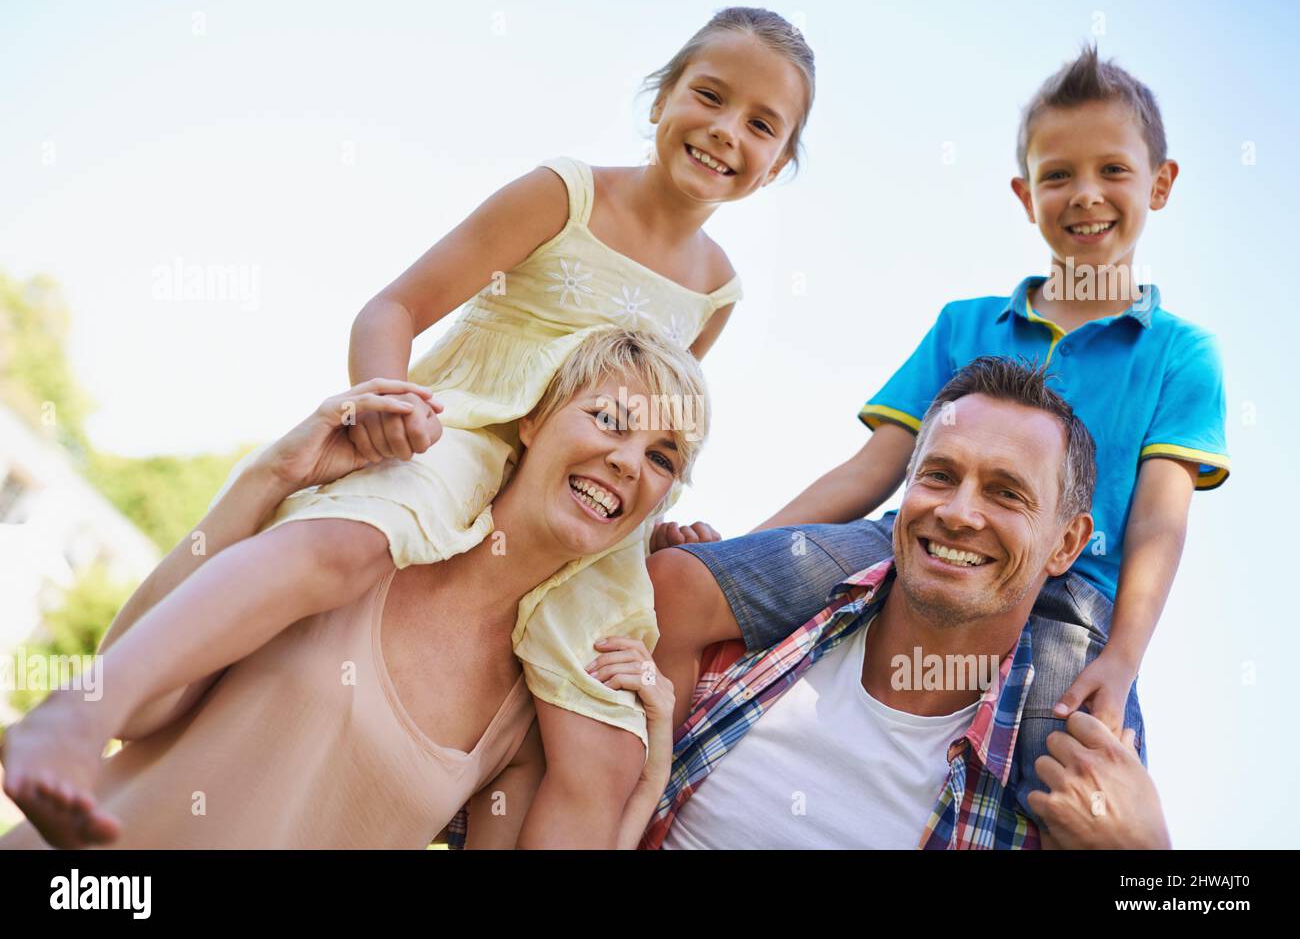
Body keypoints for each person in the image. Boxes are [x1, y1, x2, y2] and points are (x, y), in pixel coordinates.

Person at [649, 45, 1228, 819]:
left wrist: (1121, 658)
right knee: (684, 585)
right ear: (1025, 195)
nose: (1084, 194)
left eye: (1112, 171)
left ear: (1161, 183)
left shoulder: (1179, 354)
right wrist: (735, 558)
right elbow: (870, 471)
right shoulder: (967, 323)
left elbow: (1159, 522)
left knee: (1075, 786)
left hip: (1074, 600)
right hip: (911, 542)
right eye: (1058, 174)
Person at [0, 329, 693, 850]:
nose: (629, 460)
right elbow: (135, 706)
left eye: (662, 457)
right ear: (533, 418)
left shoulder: (526, 722)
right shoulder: (366, 542)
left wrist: (652, 767)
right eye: (608, 418)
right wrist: (268, 476)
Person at [634, 356, 1170, 849]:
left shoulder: (1063, 801)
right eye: (939, 476)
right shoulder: (723, 655)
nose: (959, 514)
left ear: (1067, 544)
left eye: (1006, 493)